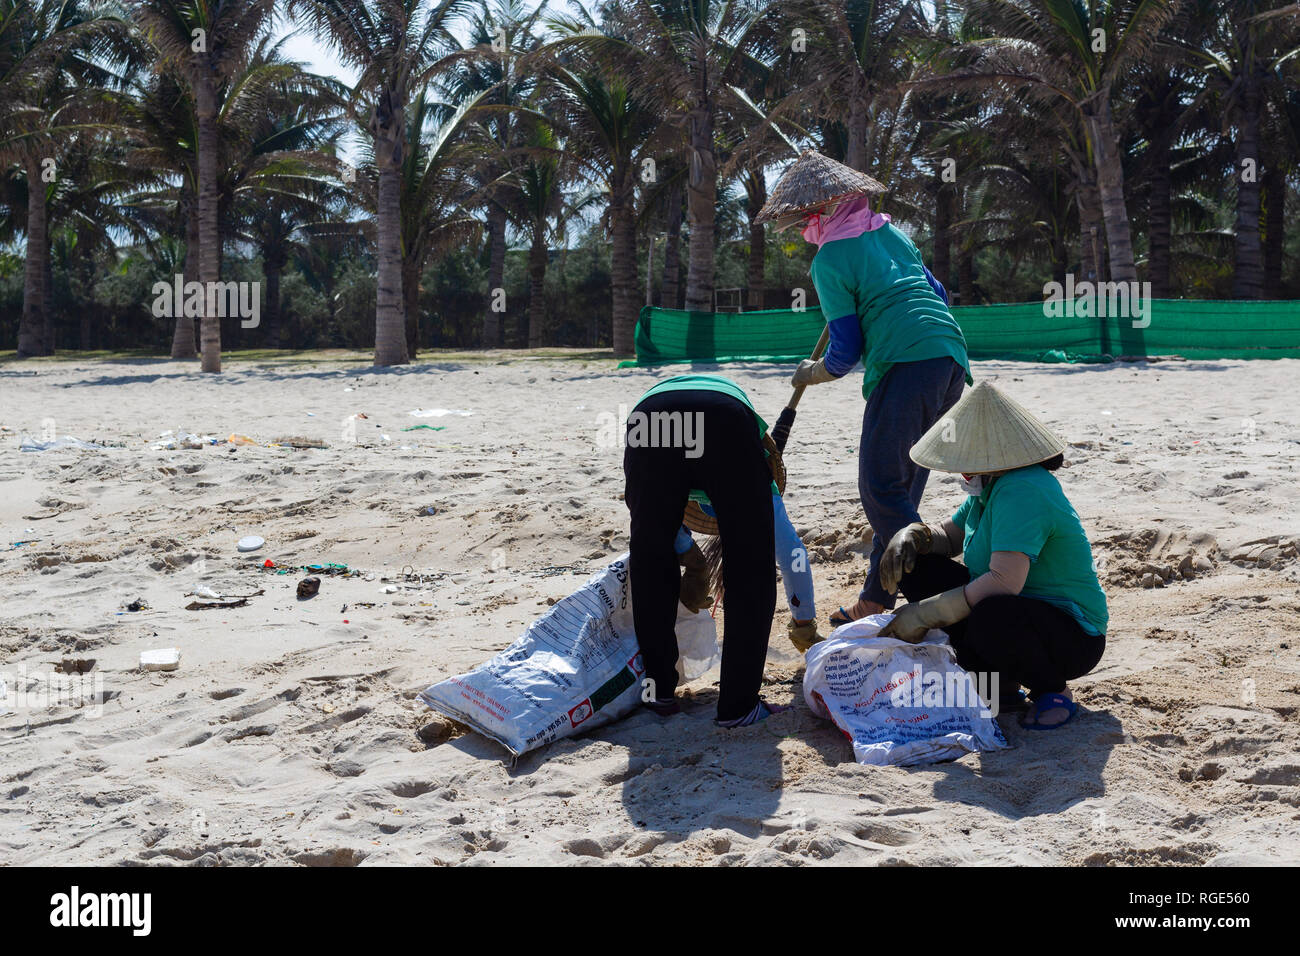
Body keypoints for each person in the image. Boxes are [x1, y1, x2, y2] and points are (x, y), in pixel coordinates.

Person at [754, 150, 972, 629]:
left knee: (878, 487)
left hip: (907, 364)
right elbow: (939, 296)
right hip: (950, 355)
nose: (803, 231)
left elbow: (845, 352)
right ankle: (876, 596)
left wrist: (811, 373)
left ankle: (950, 596)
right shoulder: (892, 233)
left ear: (821, 214)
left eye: (804, 222)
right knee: (900, 490)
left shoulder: (830, 260)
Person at [875, 382, 1108, 730]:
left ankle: (1052, 690)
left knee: (992, 615)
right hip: (1017, 612)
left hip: (1070, 634)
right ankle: (999, 685)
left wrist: (923, 614)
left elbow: (1004, 582)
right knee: (916, 567)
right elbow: (951, 536)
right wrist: (914, 536)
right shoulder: (990, 486)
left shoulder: (1023, 488)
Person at [623, 373, 792, 727]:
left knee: (650, 554)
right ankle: (738, 705)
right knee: (749, 564)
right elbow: (775, 555)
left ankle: (659, 694)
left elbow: (660, 528)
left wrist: (690, 559)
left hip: (651, 413)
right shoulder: (748, 430)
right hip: (724, 418)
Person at [674, 489, 820, 652]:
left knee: (793, 555)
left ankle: (804, 628)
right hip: (702, 488)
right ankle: (803, 628)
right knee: (791, 554)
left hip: (745, 487)